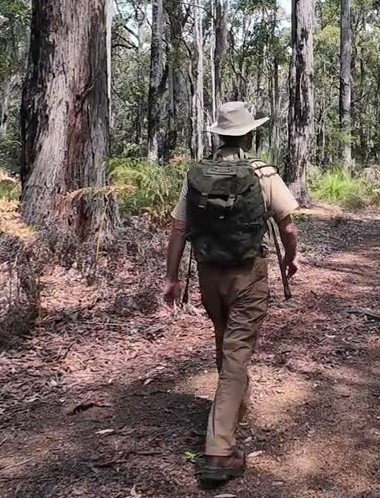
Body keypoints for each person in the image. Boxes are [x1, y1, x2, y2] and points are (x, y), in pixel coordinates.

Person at [161, 101, 300, 486]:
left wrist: (171, 278)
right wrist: (291, 258)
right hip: (248, 274)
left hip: (208, 274)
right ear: (250, 134)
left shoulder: (199, 175)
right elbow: (287, 226)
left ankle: (233, 405)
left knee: (225, 341)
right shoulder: (262, 173)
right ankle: (220, 450)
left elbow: (178, 228)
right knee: (237, 354)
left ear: (219, 134)